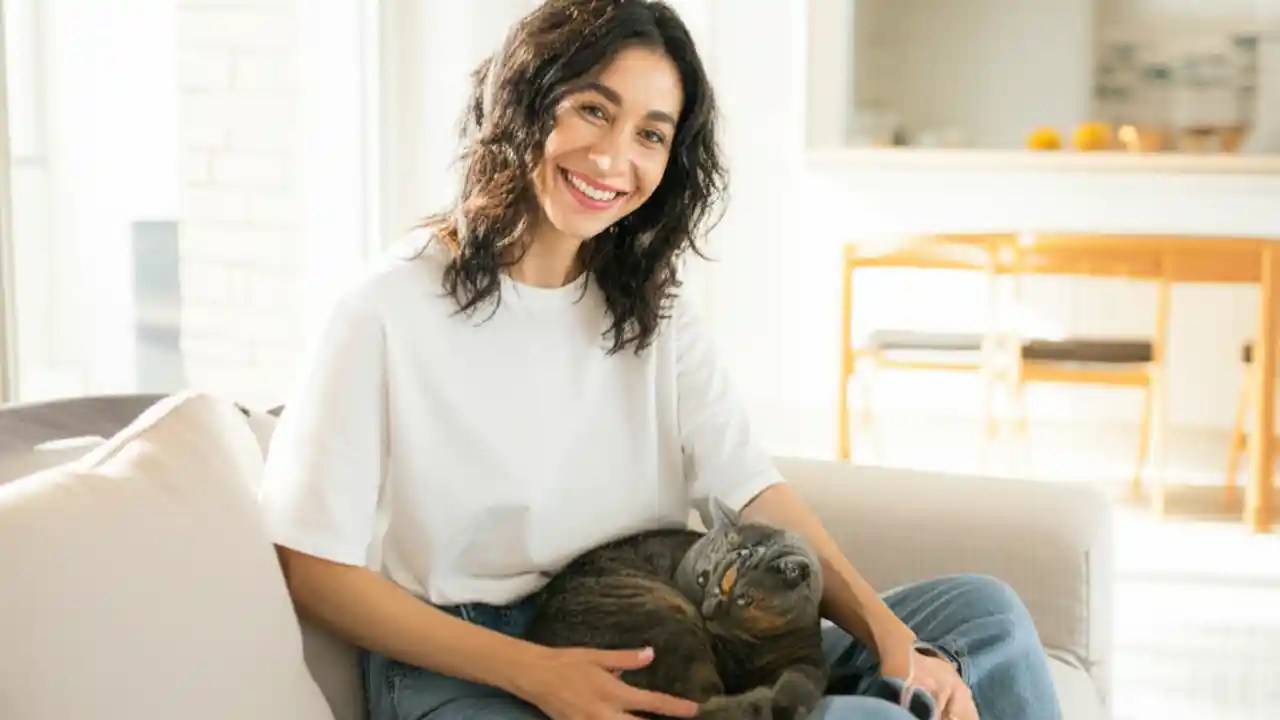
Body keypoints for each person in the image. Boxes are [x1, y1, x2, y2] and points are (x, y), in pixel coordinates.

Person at [258, 1, 1063, 718]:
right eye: (592, 110)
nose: (613, 160)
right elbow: (312, 566)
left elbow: (752, 491)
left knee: (983, 617)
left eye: (650, 134)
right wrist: (539, 674)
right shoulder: (385, 309)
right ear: (526, 101)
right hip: (476, 659)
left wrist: (894, 642)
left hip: (664, 614)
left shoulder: (650, 303)